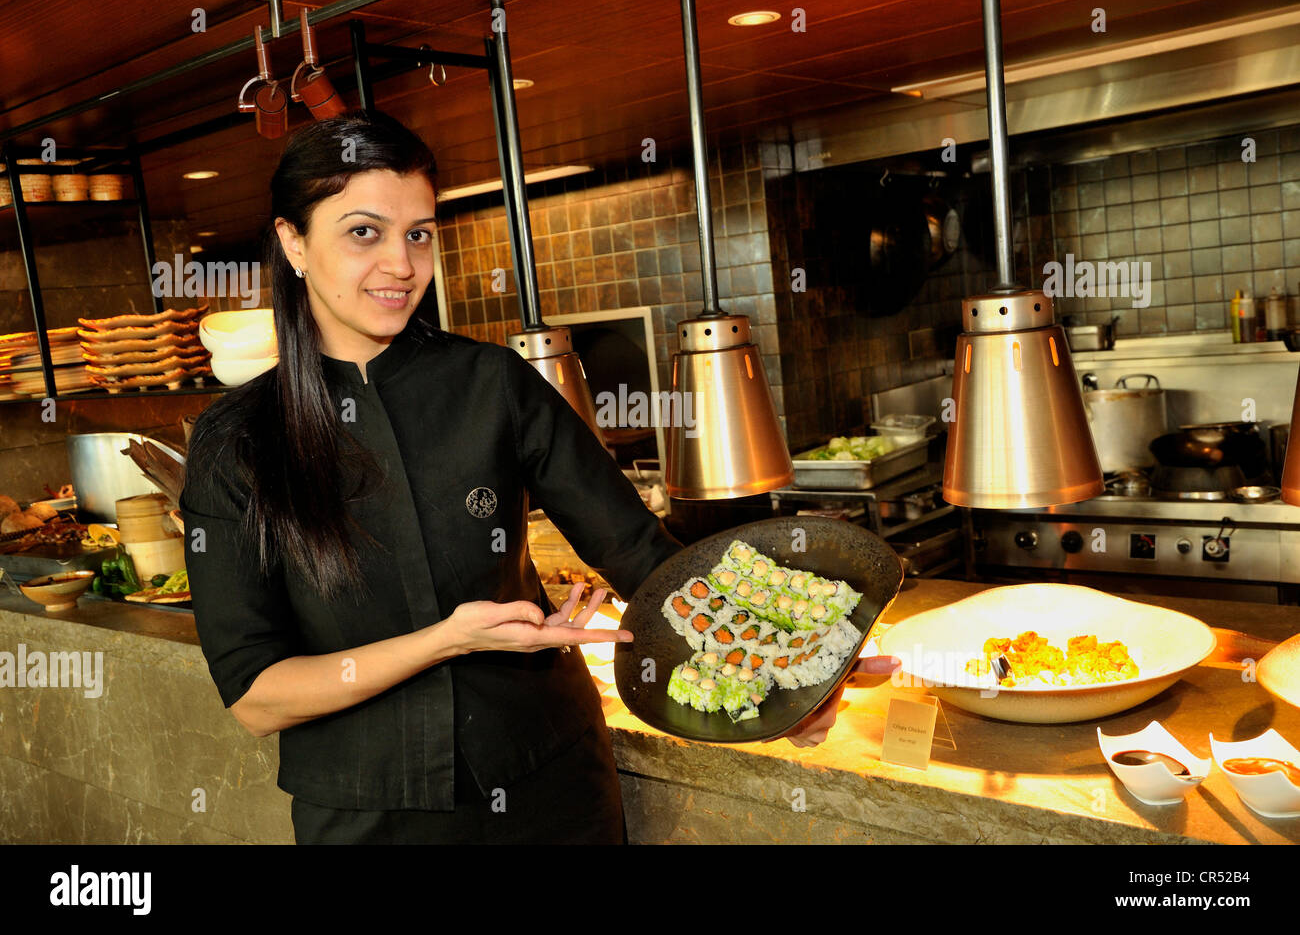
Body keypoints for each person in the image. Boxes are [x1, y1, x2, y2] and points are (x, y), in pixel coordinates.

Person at [180, 110, 890, 845]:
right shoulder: (236, 441)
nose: (400, 264)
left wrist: (796, 681)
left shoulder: (492, 383)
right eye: (364, 231)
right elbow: (257, 695)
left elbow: (643, 560)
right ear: (293, 241)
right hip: (370, 820)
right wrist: (446, 640)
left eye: (418, 233)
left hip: (552, 784)